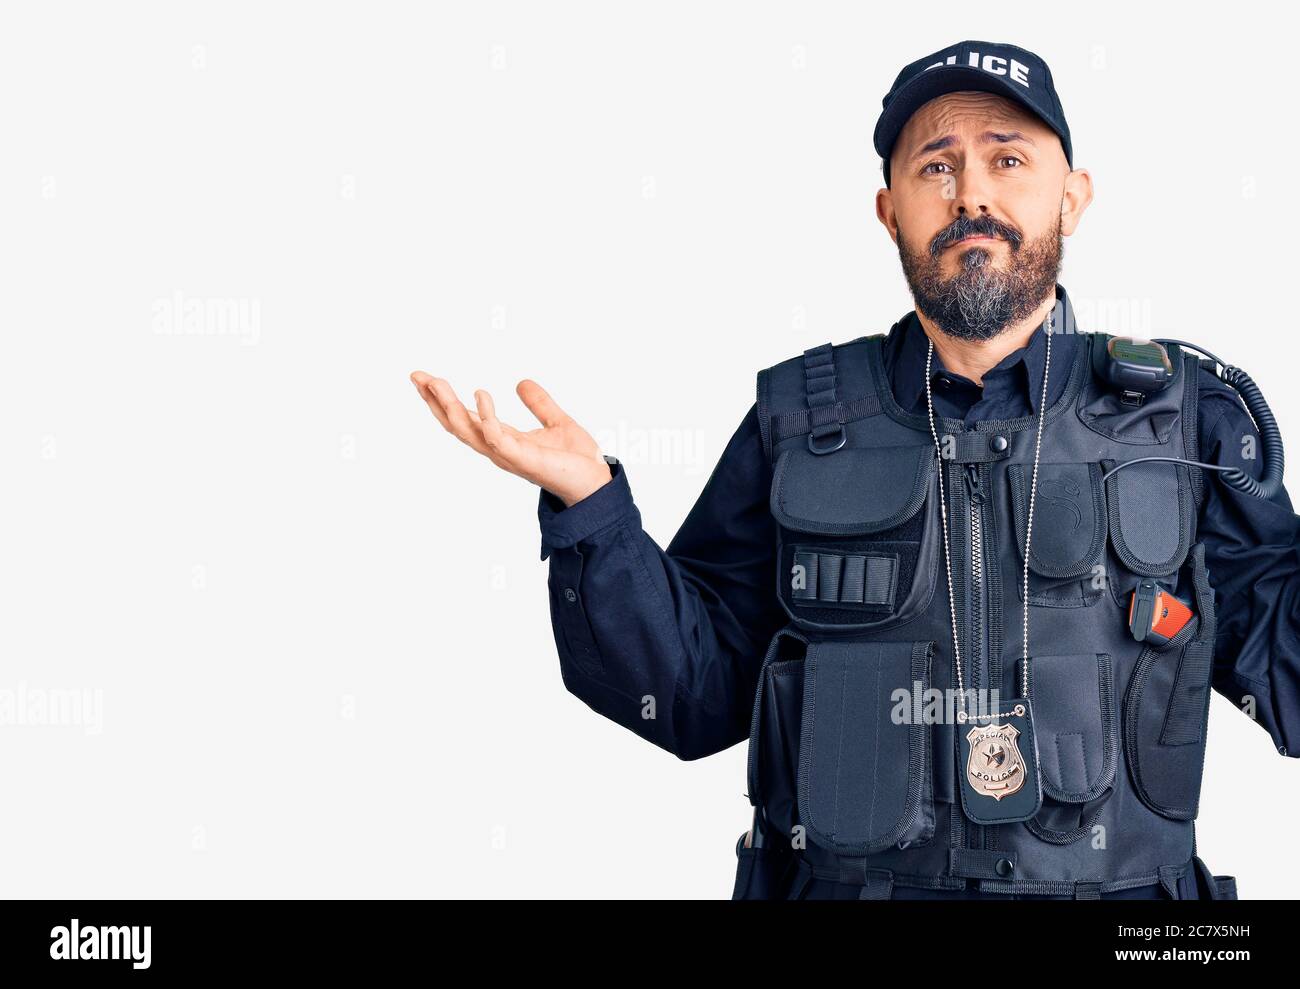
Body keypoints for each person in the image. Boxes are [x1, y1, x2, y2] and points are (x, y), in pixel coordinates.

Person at [411, 40, 1300, 899]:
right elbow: (688, 696)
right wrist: (593, 509)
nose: (972, 195)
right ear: (890, 211)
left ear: (1074, 197)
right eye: (937, 168)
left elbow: (1285, 671)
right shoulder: (799, 419)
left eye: (1009, 161)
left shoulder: (1187, 421)